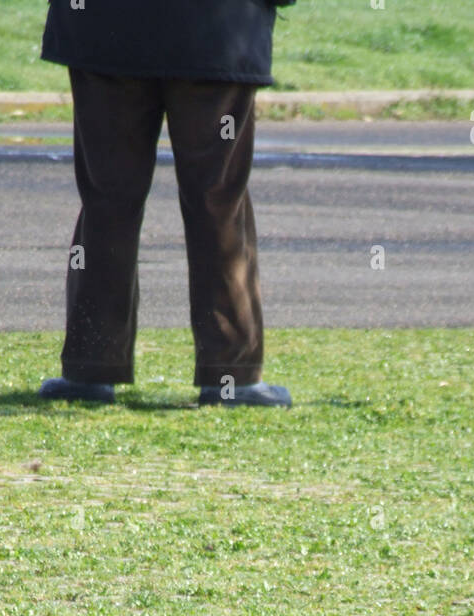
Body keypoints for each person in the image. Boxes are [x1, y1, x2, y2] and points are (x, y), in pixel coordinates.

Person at [38, 0, 296, 407]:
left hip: (104, 31)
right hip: (218, 30)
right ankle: (231, 374)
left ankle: (91, 366)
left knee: (107, 200)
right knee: (218, 200)